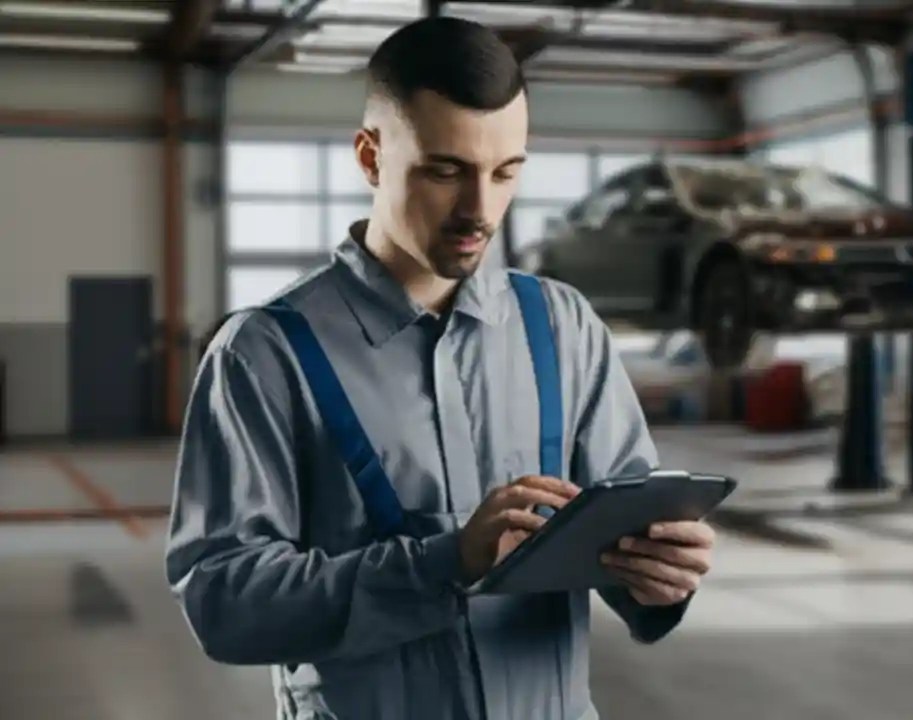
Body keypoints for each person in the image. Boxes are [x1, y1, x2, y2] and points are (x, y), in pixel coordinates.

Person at [164, 16, 717, 720]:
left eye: (505, 172)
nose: (479, 210)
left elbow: (622, 540)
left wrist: (659, 577)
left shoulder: (564, 328)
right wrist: (445, 563)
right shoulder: (264, 355)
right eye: (445, 171)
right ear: (370, 158)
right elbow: (223, 601)